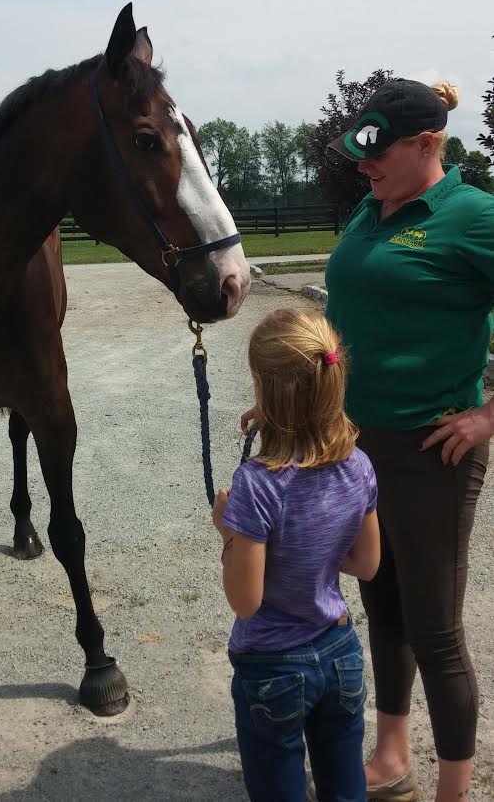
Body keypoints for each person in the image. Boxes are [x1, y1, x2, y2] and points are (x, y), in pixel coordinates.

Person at [322, 78, 494, 802]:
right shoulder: (369, 208)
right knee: (381, 604)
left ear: (429, 145)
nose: (364, 167)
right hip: (356, 445)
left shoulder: (473, 215)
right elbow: (346, 322)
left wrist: (490, 414)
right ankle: (391, 753)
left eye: (377, 152)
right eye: (359, 155)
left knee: (435, 628)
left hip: (433, 451)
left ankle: (455, 791)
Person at [213, 308, 380, 802]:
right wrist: (317, 551)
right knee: (344, 788)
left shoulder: (257, 485)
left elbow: (246, 600)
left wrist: (227, 530)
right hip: (340, 652)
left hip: (273, 665)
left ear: (266, 393)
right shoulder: (358, 465)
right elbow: (366, 564)